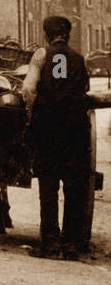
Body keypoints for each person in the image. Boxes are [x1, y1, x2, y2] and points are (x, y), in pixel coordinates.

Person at [22, 15, 91, 259]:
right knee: (73, 187)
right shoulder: (79, 59)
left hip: (48, 130)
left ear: (46, 35)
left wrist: (33, 111)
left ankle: (50, 244)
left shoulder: (41, 56)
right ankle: (71, 245)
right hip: (75, 131)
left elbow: (29, 88)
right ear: (68, 35)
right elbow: (84, 90)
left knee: (48, 186)